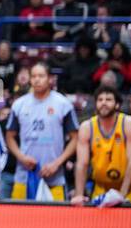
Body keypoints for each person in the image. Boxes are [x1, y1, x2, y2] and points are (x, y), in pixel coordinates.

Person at [5, 62, 78, 200]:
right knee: (20, 220)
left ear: (50, 78)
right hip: (24, 176)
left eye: (41, 76)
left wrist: (57, 163)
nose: (37, 80)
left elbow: (75, 138)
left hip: (54, 177)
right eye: (33, 76)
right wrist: (21, 157)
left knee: (55, 221)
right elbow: (9, 137)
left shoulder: (63, 104)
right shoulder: (19, 105)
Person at [73, 87, 131, 205]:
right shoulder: (87, 127)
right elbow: (82, 164)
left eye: (108, 99)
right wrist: (79, 195)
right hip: (101, 188)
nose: (103, 103)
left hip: (129, 189)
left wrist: (122, 194)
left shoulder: (129, 123)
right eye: (100, 100)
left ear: (117, 105)